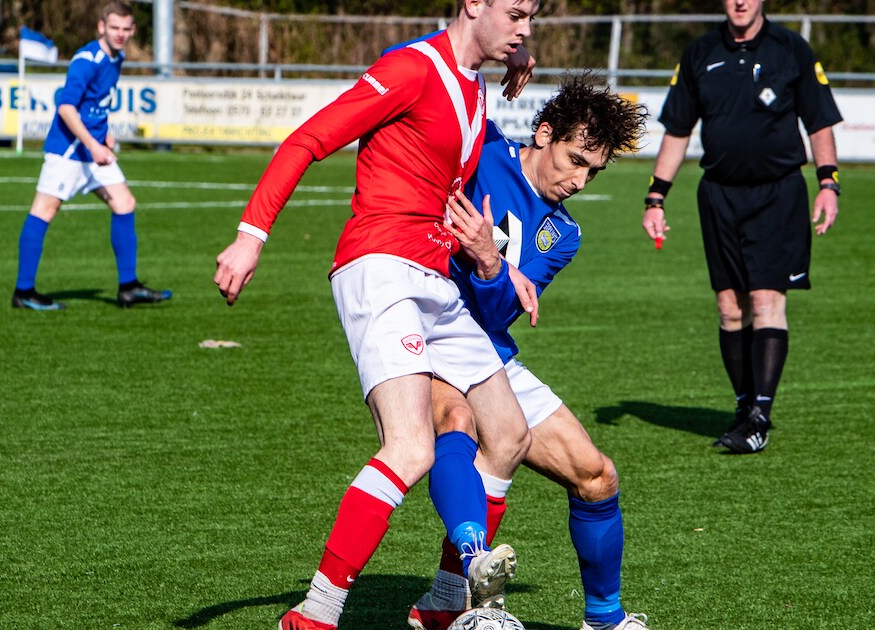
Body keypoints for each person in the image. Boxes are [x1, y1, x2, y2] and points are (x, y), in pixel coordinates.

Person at [212, 2, 541, 629]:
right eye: (516, 13)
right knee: (412, 446)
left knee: (507, 434)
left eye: (532, 17)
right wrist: (251, 235)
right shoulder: (411, 69)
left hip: (437, 277)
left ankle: (448, 601)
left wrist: (502, 259)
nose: (525, 28)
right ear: (474, 3)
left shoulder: (476, 94)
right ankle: (315, 614)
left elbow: (450, 187)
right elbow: (309, 139)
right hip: (378, 265)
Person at [406, 75, 651, 630]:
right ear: (543, 133)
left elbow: (497, 315)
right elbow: (454, 78)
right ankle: (454, 597)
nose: (581, 179)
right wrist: (507, 48)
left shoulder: (563, 234)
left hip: (487, 346)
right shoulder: (484, 150)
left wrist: (491, 262)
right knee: (462, 424)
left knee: (597, 476)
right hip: (425, 329)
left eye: (593, 170)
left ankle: (604, 619)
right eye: (575, 159)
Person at [641, 0, 842, 454]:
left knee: (766, 300)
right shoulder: (700, 52)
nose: (740, 1)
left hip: (778, 193)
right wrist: (656, 197)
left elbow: (820, 121)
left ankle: (759, 417)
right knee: (731, 309)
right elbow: (678, 130)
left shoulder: (792, 49)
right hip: (719, 195)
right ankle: (743, 406)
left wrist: (828, 183)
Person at [11, 1, 170, 311]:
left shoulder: (117, 57)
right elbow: (67, 107)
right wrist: (93, 145)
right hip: (69, 151)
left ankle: (128, 286)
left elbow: (96, 103)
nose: (121, 34)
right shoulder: (87, 59)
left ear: (133, 30)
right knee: (44, 210)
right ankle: (24, 291)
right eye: (114, 28)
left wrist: (104, 134)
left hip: (94, 150)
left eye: (126, 29)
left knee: (124, 203)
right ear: (101, 27)